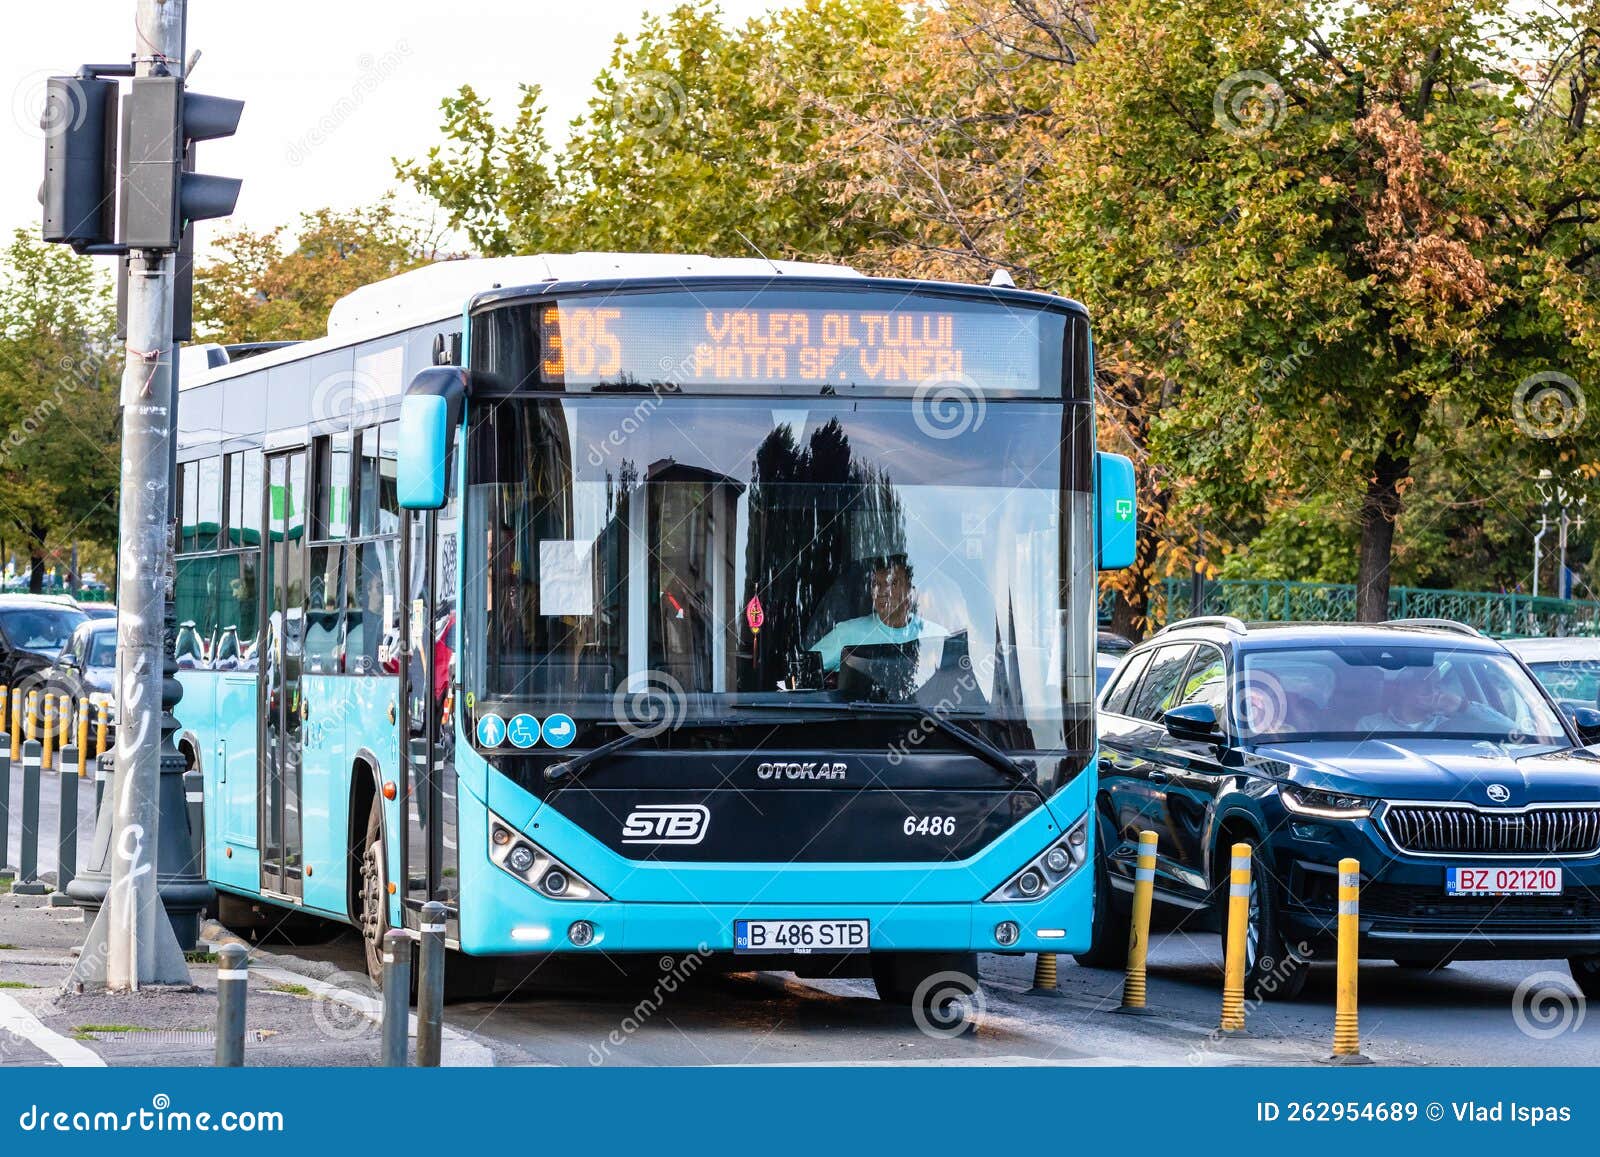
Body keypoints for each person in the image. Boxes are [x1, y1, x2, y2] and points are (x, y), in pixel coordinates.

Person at [809, 555, 948, 673]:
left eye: (892, 583)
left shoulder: (937, 637)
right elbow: (806, 670)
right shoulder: (847, 633)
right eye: (876, 584)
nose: (882, 592)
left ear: (910, 592)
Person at [1357, 664, 1515, 734]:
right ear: (1404, 688)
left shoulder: (1453, 723)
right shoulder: (1371, 725)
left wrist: (1462, 705)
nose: (1433, 691)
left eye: (1437, 685)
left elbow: (1509, 729)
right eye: (1425, 684)